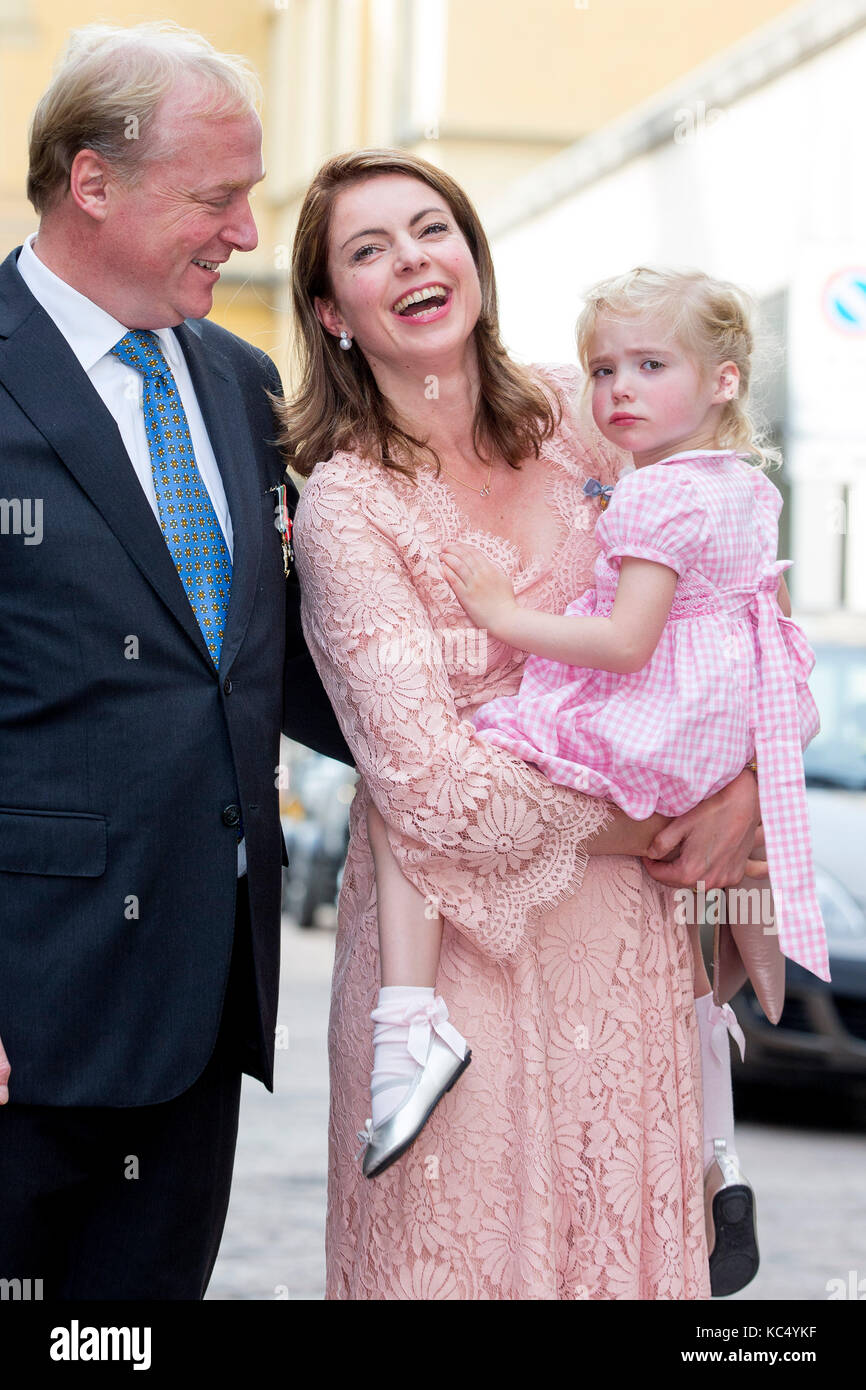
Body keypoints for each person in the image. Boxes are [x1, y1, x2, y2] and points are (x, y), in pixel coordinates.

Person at [282, 148, 768, 1300]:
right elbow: (434, 790)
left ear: (472, 256)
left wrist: (743, 795)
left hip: (626, 956)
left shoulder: (582, 415)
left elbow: (735, 591)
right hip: (452, 972)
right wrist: (654, 823)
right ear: (331, 312)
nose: (412, 259)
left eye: (431, 229)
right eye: (368, 250)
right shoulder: (348, 508)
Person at [0, 22, 351, 1300]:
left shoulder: (243, 385)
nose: (246, 232)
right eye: (216, 198)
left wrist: (588, 764)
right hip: (27, 1018)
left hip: (199, 1009)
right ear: (92, 182)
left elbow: (295, 660)